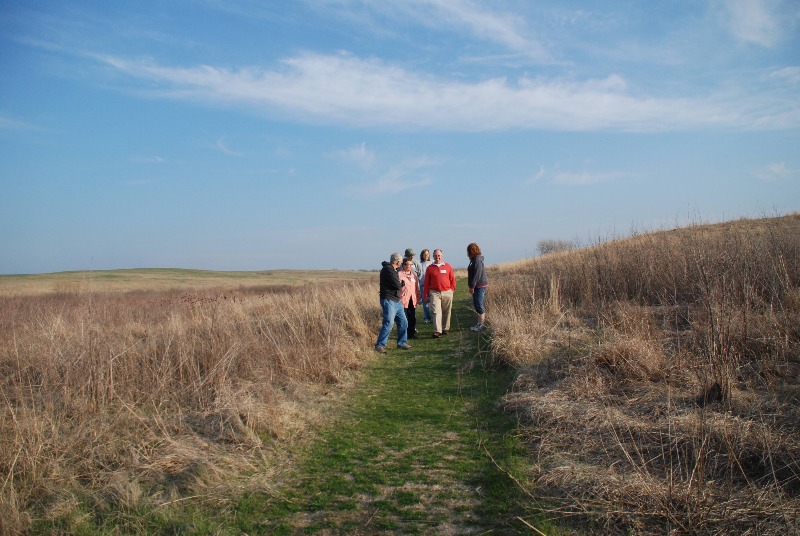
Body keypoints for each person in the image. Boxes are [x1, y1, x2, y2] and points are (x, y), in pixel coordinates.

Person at [375, 252, 412, 353]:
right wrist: (401, 283)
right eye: (401, 261)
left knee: (403, 321)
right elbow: (397, 284)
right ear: (399, 262)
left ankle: (402, 343)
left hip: (396, 300)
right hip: (389, 299)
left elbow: (397, 283)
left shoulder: (392, 270)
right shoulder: (388, 269)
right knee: (389, 322)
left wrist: (400, 283)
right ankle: (380, 345)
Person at [423, 249, 456, 338]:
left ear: (442, 256)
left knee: (447, 311)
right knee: (436, 311)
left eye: (439, 255)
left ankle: (445, 328)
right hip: (434, 293)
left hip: (447, 292)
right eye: (435, 256)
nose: (437, 257)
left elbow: (452, 278)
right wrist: (426, 295)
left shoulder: (448, 266)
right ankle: (437, 331)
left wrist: (452, 289)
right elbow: (426, 283)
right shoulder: (430, 268)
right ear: (433, 256)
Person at [398, 257, 422, 339]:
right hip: (403, 300)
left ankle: (412, 334)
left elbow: (416, 288)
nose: (409, 266)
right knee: (404, 319)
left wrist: (418, 298)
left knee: (412, 318)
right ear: (403, 265)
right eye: (408, 264)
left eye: (411, 265)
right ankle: (404, 335)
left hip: (413, 300)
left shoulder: (414, 276)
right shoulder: (399, 275)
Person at [467, 242, 488, 331]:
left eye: (468, 251)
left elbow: (477, 275)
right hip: (476, 286)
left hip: (479, 286)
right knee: (476, 304)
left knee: (479, 304)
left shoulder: (477, 260)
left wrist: (472, 286)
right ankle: (478, 323)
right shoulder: (473, 260)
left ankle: (482, 324)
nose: (467, 253)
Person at [418, 249, 432, 323]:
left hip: (431, 284)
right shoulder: (419, 264)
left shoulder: (432, 262)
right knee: (425, 302)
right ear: (422, 255)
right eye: (424, 254)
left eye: (427, 254)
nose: (426, 255)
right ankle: (427, 317)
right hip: (422, 285)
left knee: (433, 301)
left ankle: (434, 317)